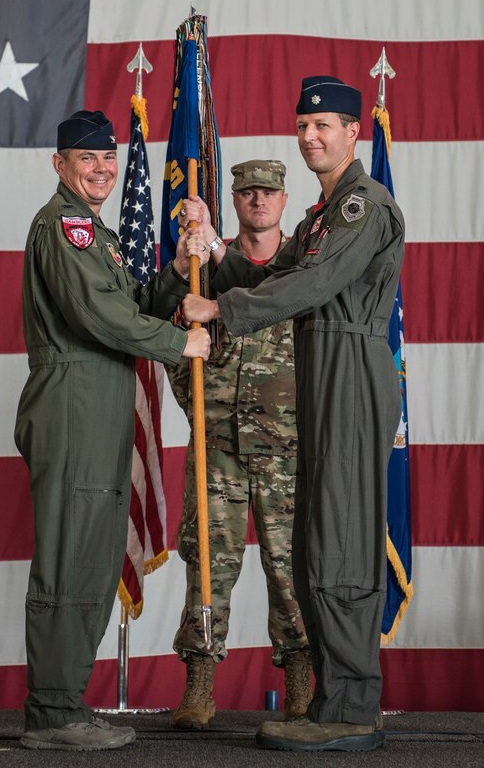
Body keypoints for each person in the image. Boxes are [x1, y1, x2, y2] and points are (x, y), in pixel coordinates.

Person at [178, 76, 404, 752]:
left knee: (341, 540)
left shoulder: (361, 205)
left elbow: (313, 283)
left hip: (349, 368)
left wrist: (220, 308)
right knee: (316, 547)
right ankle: (332, 700)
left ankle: (352, 709)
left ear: (353, 132)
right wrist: (216, 250)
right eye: (303, 125)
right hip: (319, 367)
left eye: (324, 125)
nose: (310, 136)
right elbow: (276, 278)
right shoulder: (318, 216)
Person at [14, 109, 211, 751]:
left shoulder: (96, 232)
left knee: (94, 560)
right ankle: (52, 714)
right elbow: (100, 316)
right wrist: (181, 344)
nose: (101, 169)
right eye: (86, 158)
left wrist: (177, 273)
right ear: (60, 164)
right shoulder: (65, 226)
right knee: (70, 558)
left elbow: (129, 303)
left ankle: (65, 703)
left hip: (97, 401)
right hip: (73, 401)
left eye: (108, 159)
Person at [168, 159, 311, 729]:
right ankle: (200, 688)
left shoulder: (302, 269)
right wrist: (202, 413)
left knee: (290, 569)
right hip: (218, 448)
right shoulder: (203, 273)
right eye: (248, 192)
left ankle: (301, 685)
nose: (258, 201)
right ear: (234, 200)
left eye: (268, 192)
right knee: (208, 566)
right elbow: (178, 350)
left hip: (286, 450)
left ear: (284, 200)